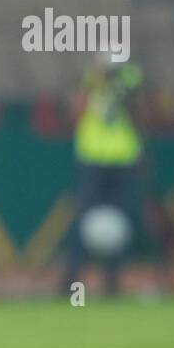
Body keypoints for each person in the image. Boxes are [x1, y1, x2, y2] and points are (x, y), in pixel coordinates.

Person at [60, 59, 143, 295]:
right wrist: (96, 83)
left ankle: (112, 282)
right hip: (92, 156)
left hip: (123, 155)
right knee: (85, 220)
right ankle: (72, 280)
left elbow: (139, 103)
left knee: (119, 222)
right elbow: (73, 109)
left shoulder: (129, 78)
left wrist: (120, 85)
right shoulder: (89, 79)